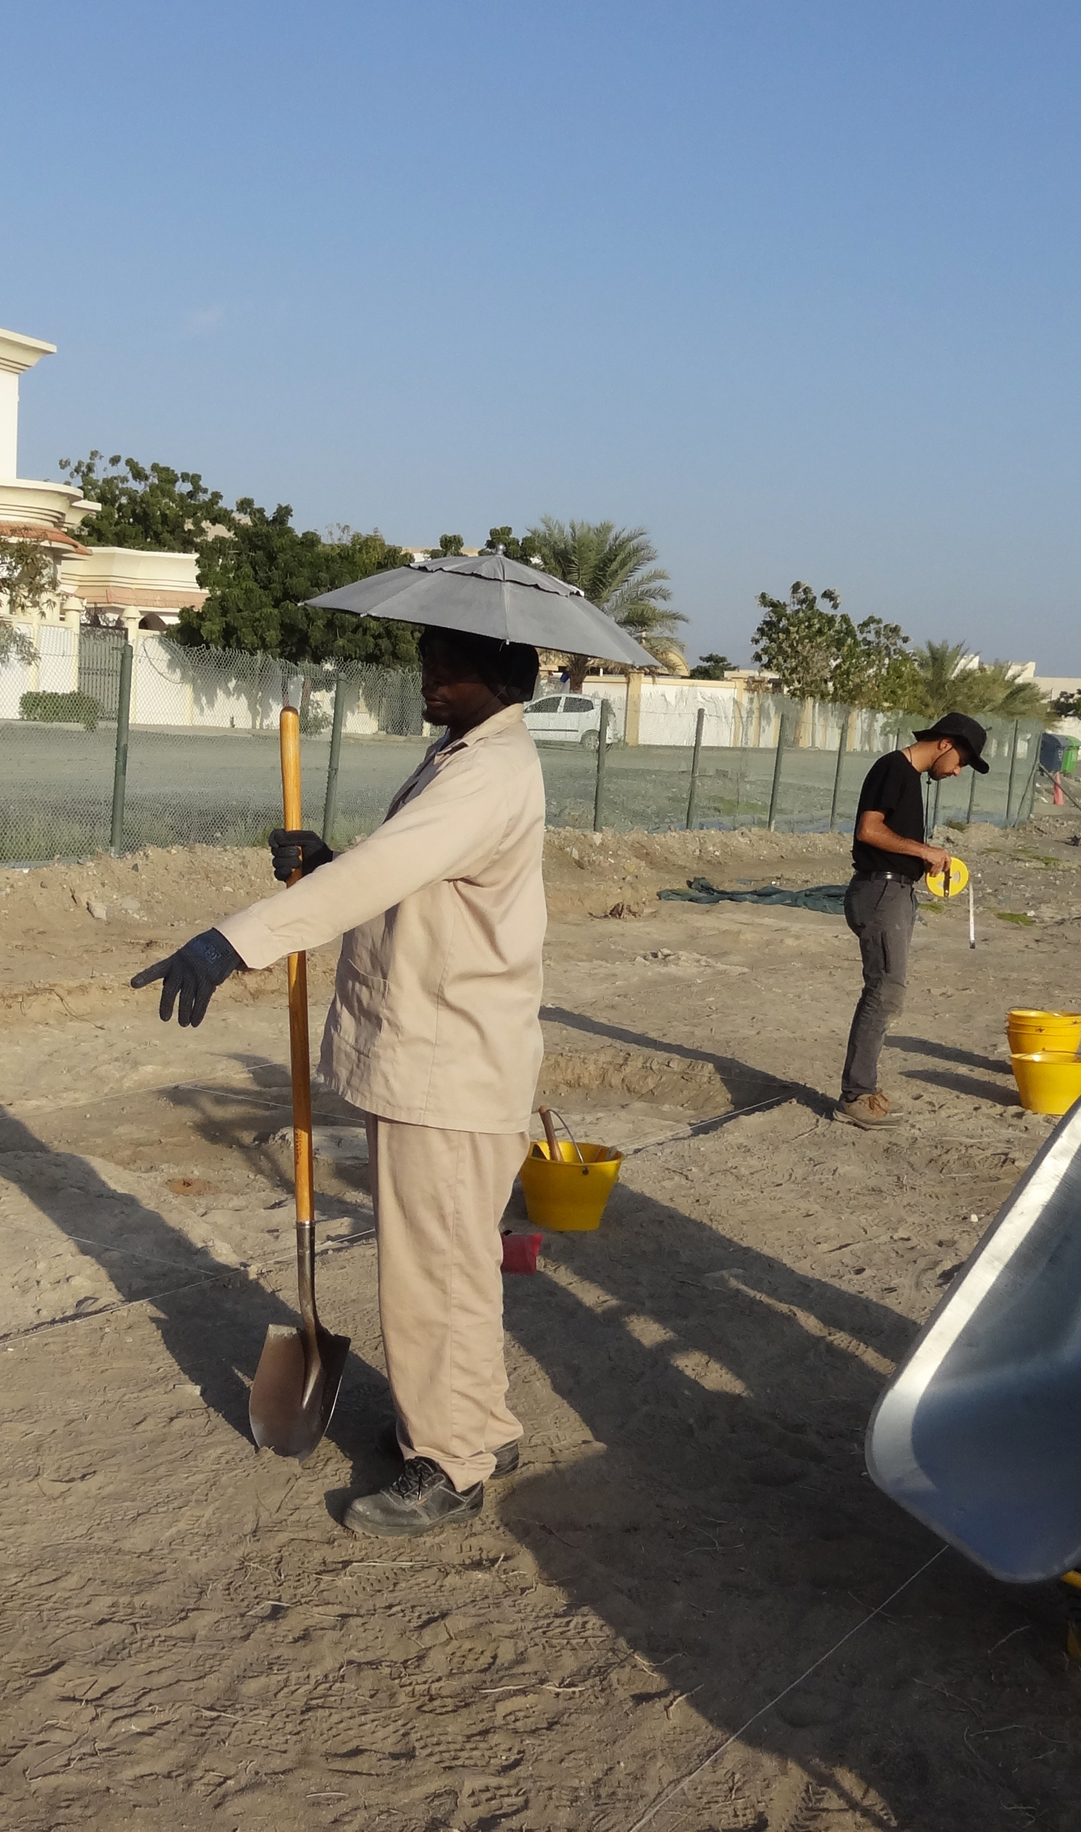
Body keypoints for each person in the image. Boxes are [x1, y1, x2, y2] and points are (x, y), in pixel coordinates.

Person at [131, 626, 545, 1538]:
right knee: (457, 1262)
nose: (428, 680)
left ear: (500, 675)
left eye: (447, 668)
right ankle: (482, 1427)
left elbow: (383, 872)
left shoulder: (486, 771)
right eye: (427, 663)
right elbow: (410, 883)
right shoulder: (464, 757)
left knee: (432, 1274)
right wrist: (328, 868)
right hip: (440, 1053)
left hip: (448, 1062)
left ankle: (450, 1464)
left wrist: (232, 941)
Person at [836, 712, 989, 1130]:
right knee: (884, 992)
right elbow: (869, 830)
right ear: (945, 743)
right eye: (961, 761)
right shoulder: (894, 768)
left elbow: (888, 837)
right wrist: (923, 851)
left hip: (894, 891)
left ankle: (862, 1089)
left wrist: (922, 860)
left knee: (887, 993)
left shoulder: (907, 776)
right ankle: (856, 1095)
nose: (957, 771)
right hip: (880, 892)